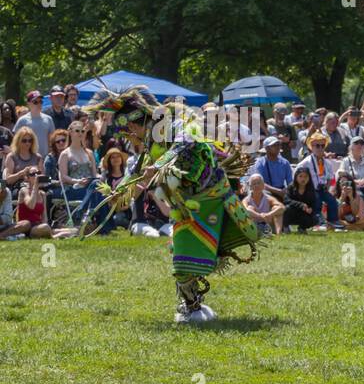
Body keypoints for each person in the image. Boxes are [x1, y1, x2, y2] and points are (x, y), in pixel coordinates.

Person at [84, 86, 263, 320]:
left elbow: (185, 142)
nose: (130, 135)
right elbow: (139, 170)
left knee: (186, 258)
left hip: (209, 197)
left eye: (130, 129)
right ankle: (192, 305)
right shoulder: (152, 141)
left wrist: (160, 166)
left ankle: (192, 307)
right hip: (185, 204)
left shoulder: (175, 125)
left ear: (140, 121)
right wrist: (121, 191)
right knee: (181, 257)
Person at [295, 133, 339, 223]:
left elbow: (330, 178)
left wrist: (327, 187)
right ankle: (317, 221)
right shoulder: (305, 163)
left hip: (322, 189)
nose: (320, 148)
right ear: (311, 147)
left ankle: (333, 221)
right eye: (317, 146)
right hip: (309, 190)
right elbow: (297, 178)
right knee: (316, 199)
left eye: (322, 146)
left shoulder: (327, 163)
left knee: (332, 200)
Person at [250, 136, 295, 200]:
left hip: (282, 191)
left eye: (278, 145)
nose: (278, 147)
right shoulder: (260, 163)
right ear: (267, 148)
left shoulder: (285, 163)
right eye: (274, 145)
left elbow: (290, 182)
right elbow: (259, 183)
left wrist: (287, 190)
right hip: (267, 193)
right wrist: (278, 192)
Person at [15, 90, 54, 157]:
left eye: (41, 102)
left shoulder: (48, 119)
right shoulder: (22, 120)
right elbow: (16, 140)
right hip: (28, 158)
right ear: (28, 103)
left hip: (45, 157)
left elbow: (52, 140)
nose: (39, 104)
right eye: (35, 102)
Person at [3, 126, 42, 193]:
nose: (27, 143)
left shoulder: (38, 157)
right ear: (18, 141)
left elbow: (45, 178)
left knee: (47, 194)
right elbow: (7, 180)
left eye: (30, 141)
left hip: (35, 187)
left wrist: (36, 173)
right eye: (24, 141)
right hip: (18, 187)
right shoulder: (12, 157)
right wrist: (22, 173)